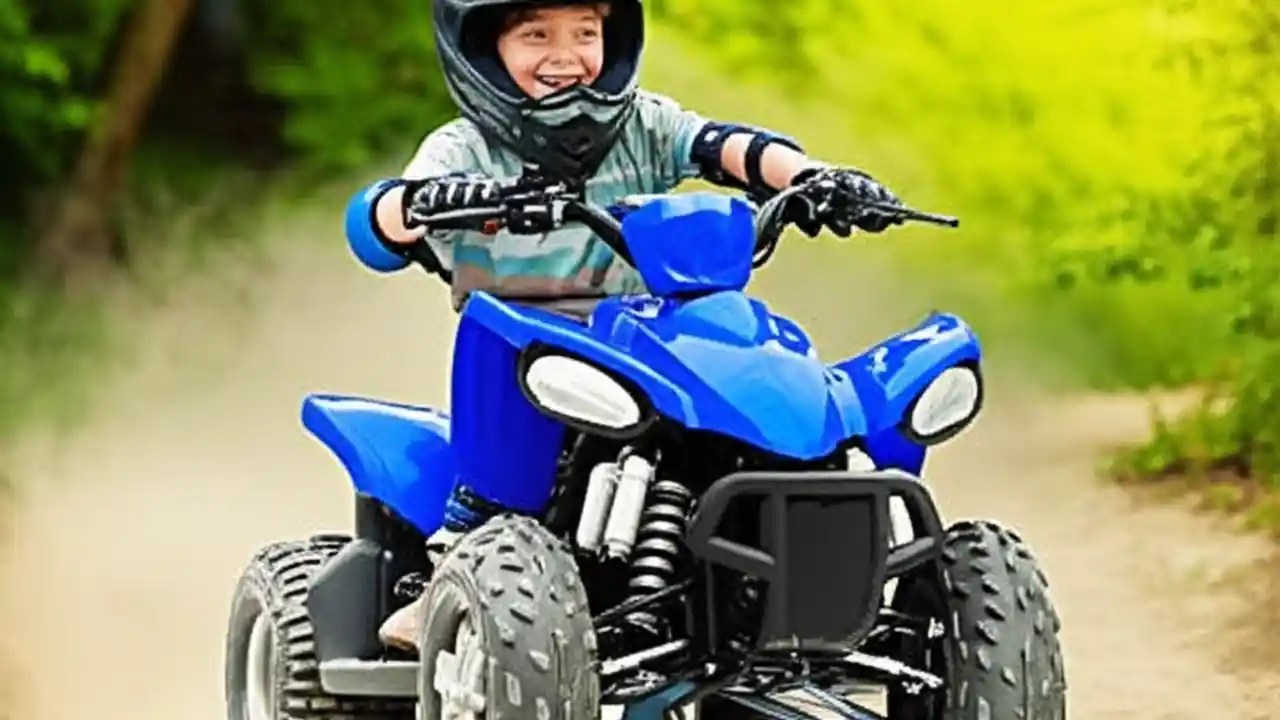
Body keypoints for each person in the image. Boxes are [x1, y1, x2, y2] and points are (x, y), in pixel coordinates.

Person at [343, 0, 906, 651]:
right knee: (497, 341)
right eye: (536, 35)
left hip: (647, 340)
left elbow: (724, 146)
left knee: (770, 359)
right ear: (482, 51)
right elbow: (382, 221)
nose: (566, 54)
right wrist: (438, 200)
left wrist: (812, 178)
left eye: (587, 33)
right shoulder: (462, 148)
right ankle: (463, 556)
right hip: (530, 350)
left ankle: (827, 547)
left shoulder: (644, 124)